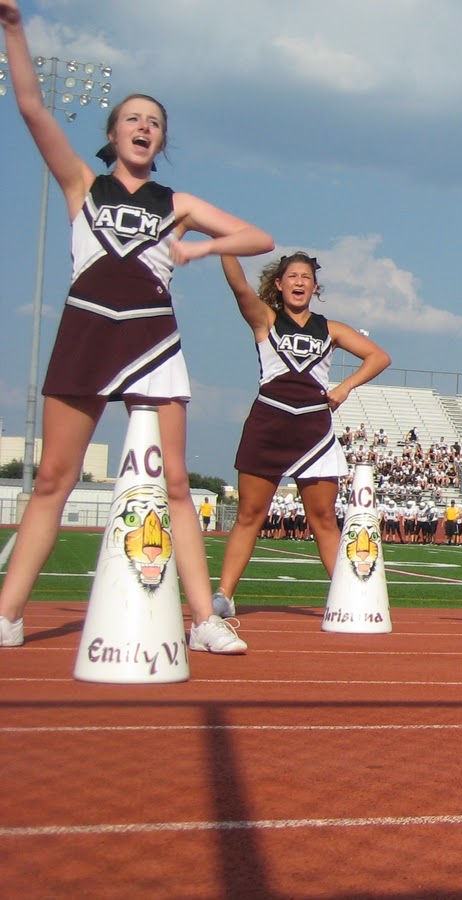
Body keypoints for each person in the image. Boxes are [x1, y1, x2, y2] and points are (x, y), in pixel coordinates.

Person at [0, 1, 273, 652]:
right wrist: (14, 29)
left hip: (152, 337)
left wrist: (202, 247)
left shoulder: (177, 204)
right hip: (87, 330)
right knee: (52, 480)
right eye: (132, 119)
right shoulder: (81, 185)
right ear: (113, 133)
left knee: (175, 482)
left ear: (162, 140)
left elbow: (257, 235)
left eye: (154, 122)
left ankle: (204, 618)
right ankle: (9, 611)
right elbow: (34, 108)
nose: (143, 127)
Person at [211, 253, 391, 615]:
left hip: (313, 431)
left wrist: (345, 387)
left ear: (315, 287)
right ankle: (224, 596)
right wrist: (224, 245)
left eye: (306, 277)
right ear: (279, 284)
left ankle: (350, 596)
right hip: (268, 425)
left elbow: (378, 356)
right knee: (250, 514)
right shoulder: (266, 319)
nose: (298, 282)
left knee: (323, 518)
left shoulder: (331, 328)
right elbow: (238, 286)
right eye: (291, 276)